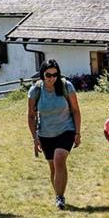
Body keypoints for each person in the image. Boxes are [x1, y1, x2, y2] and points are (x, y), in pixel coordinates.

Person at [27, 60, 81, 210]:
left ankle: (60, 197)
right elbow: (31, 115)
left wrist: (77, 132)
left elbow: (76, 110)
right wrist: (35, 138)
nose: (52, 78)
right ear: (42, 75)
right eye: (48, 75)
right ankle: (58, 194)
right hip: (45, 133)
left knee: (59, 160)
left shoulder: (66, 86)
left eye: (55, 74)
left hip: (66, 129)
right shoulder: (35, 90)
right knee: (53, 168)